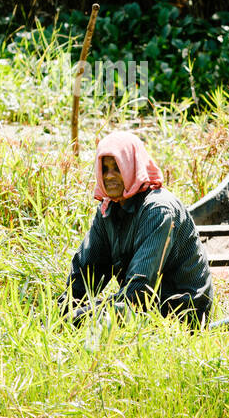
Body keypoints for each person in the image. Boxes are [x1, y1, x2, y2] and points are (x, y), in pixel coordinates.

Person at [65, 130, 214, 326]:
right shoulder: (108, 209)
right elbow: (85, 274)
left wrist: (80, 316)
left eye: (117, 168)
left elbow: (140, 289)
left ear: (131, 168)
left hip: (183, 311)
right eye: (105, 169)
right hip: (144, 305)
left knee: (82, 320)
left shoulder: (158, 210)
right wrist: (63, 309)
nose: (109, 177)